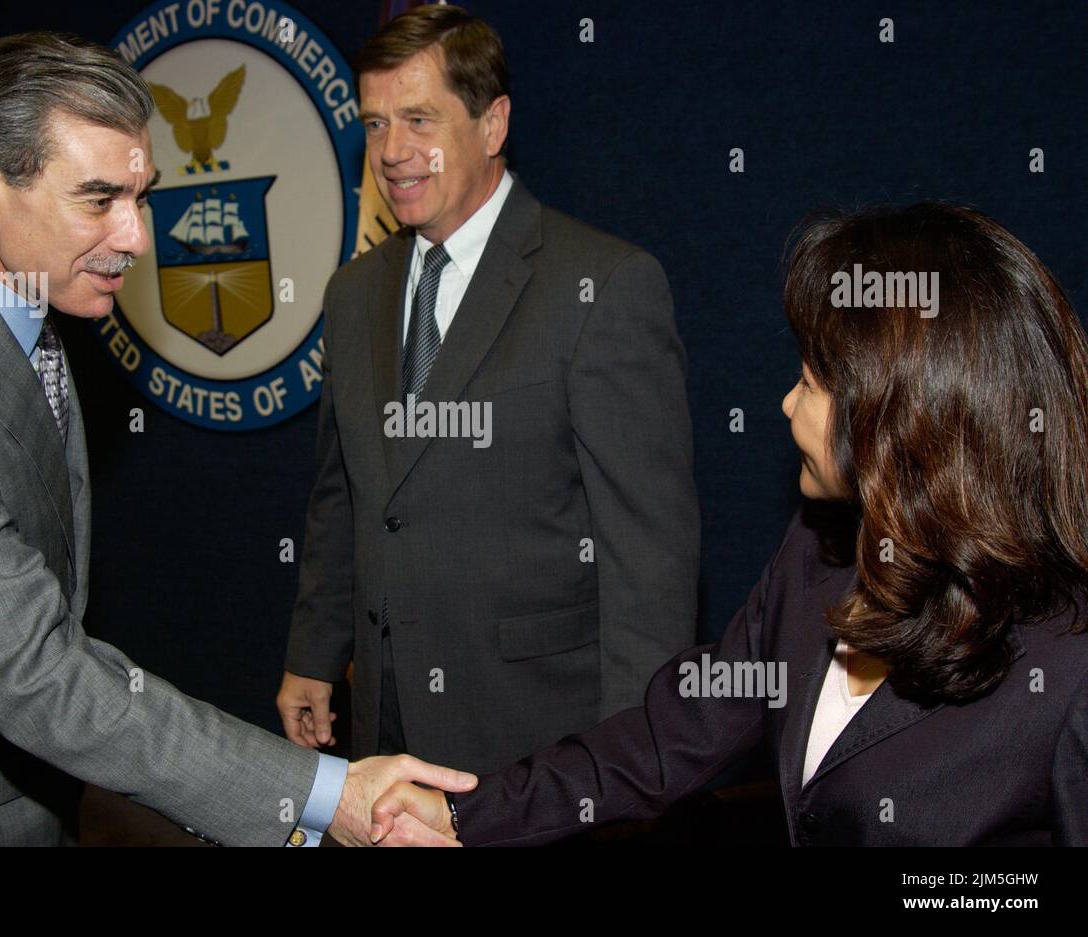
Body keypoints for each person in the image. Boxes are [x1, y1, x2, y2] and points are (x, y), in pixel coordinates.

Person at [0, 31, 473, 848]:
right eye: (99, 198)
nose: (138, 237)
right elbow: (34, 669)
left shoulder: (17, 282)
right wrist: (325, 793)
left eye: (141, 196)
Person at [371, 201, 1088, 846]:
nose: (784, 404)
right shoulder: (821, 550)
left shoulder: (1068, 670)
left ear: (899, 420)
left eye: (809, 382)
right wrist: (467, 812)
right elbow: (667, 739)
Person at [279, 5, 699, 775]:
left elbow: (651, 562)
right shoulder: (352, 294)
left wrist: (633, 756)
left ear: (494, 122)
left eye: (418, 120)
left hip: (541, 737)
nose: (392, 152)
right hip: (384, 721)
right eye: (374, 125)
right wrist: (315, 651)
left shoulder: (602, 286)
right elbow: (344, 498)